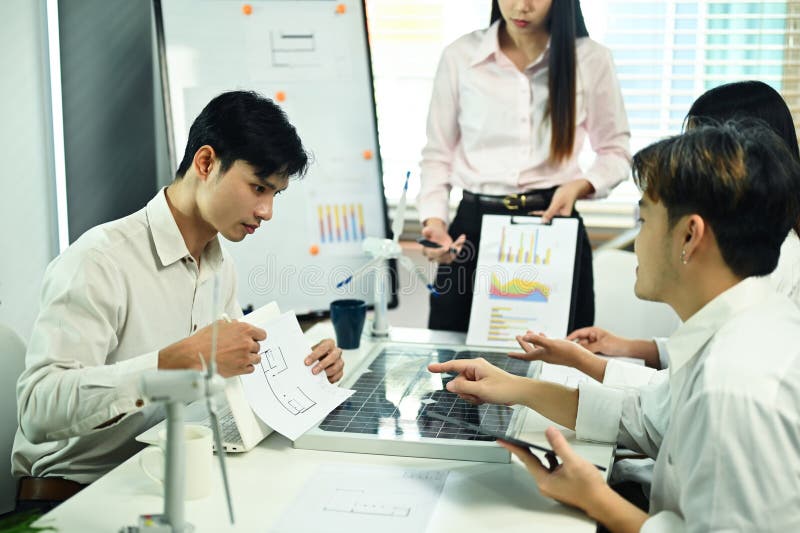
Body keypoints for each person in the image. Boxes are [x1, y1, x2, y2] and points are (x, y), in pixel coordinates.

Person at [429, 121, 800, 531]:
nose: (637, 241)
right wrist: (518, 388)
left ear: (689, 236)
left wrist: (596, 499)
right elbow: (647, 417)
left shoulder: (735, 384)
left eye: (644, 220)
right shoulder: (751, 324)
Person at [11, 91, 345, 512]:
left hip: (165, 479)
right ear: (205, 163)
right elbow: (39, 409)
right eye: (258, 187)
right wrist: (177, 360)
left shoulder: (220, 266)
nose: (266, 211)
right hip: (74, 496)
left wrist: (303, 369)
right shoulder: (99, 260)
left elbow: (225, 380)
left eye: (275, 194)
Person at [418, 0, 630, 332]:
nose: (521, 6)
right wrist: (435, 224)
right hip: (471, 229)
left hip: (552, 223)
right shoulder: (460, 56)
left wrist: (578, 186)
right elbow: (437, 155)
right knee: (453, 362)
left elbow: (616, 151)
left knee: (558, 364)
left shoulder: (590, 59)